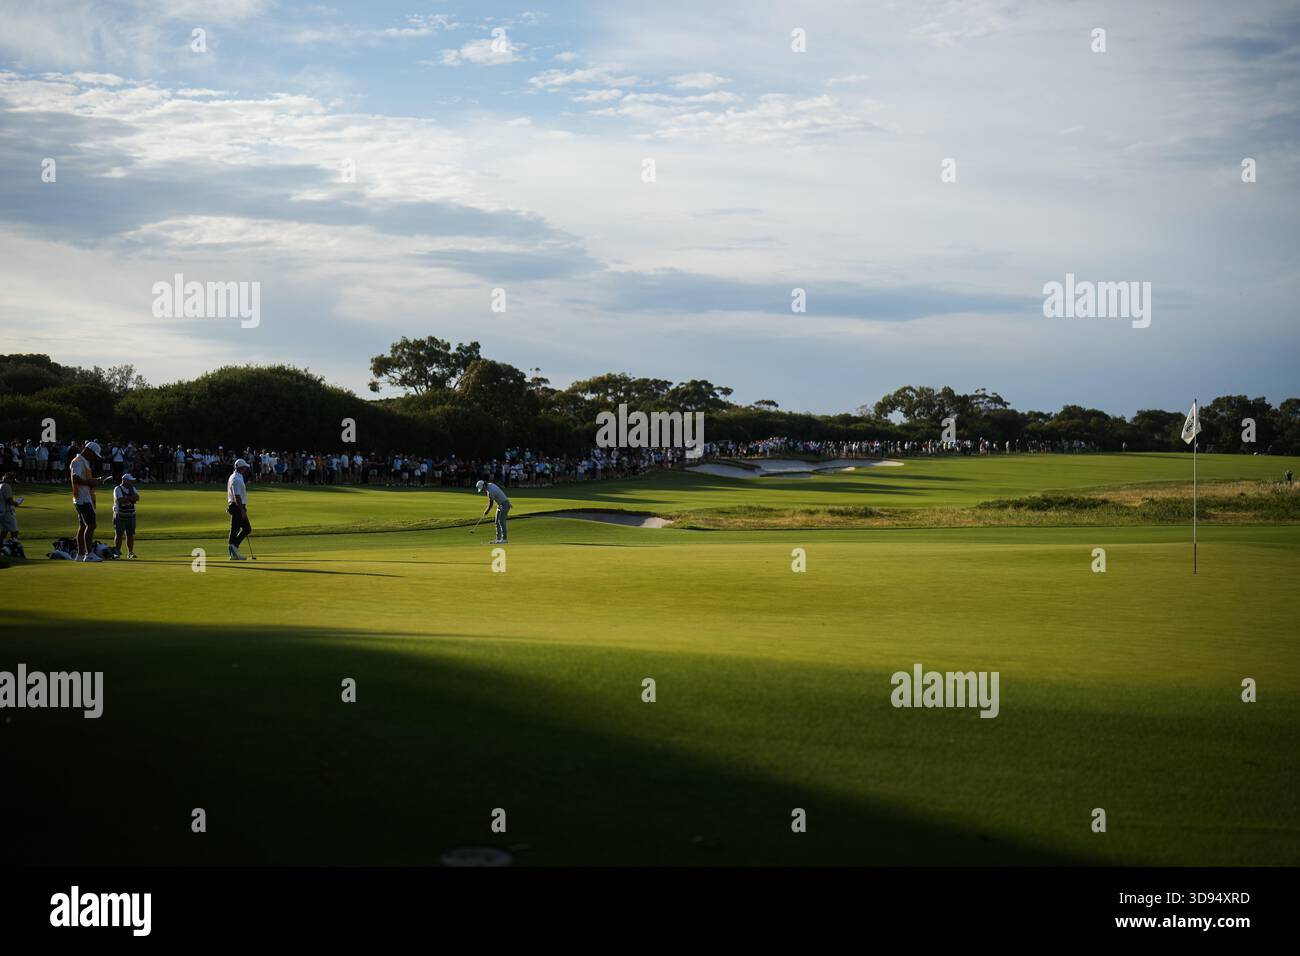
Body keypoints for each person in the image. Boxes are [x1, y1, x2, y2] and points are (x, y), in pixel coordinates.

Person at [70, 441, 110, 561]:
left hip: (83, 497)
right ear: (88, 450)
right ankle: (89, 554)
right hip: (83, 499)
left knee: (83, 526)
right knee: (91, 525)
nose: (94, 457)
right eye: (94, 454)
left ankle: (80, 554)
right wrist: (90, 482)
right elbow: (75, 478)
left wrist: (96, 480)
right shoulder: (78, 461)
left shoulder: (84, 462)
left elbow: (84, 479)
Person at [227, 458, 252, 560]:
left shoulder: (237, 476)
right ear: (241, 468)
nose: (246, 469)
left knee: (234, 530)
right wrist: (242, 510)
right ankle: (234, 547)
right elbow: (237, 496)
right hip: (238, 506)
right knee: (247, 528)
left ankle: (233, 553)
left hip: (237, 506)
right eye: (244, 467)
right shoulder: (236, 479)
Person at [112, 472, 140, 559]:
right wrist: (131, 498)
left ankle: (130, 552)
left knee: (130, 534)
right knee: (119, 534)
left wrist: (127, 498)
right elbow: (120, 500)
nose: (132, 482)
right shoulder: (117, 488)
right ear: (124, 481)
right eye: (130, 481)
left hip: (131, 515)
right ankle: (117, 552)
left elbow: (137, 498)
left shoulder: (132, 488)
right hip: (120, 515)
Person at [476, 478, 511, 544]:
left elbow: (491, 504)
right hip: (500, 505)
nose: (482, 490)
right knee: (497, 521)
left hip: (505, 504)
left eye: (482, 489)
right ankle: (498, 539)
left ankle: (504, 539)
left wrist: (486, 511)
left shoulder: (490, 491)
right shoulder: (490, 485)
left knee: (501, 521)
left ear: (484, 485)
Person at [0, 472, 20, 545]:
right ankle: (14, 546)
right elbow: (9, 500)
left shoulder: (0, 485)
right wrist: (16, 503)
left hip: (1, 512)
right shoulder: (6, 486)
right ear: (8, 479)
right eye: (11, 480)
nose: (12, 482)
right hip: (7, 512)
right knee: (14, 531)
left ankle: (1, 547)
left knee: (4, 531)